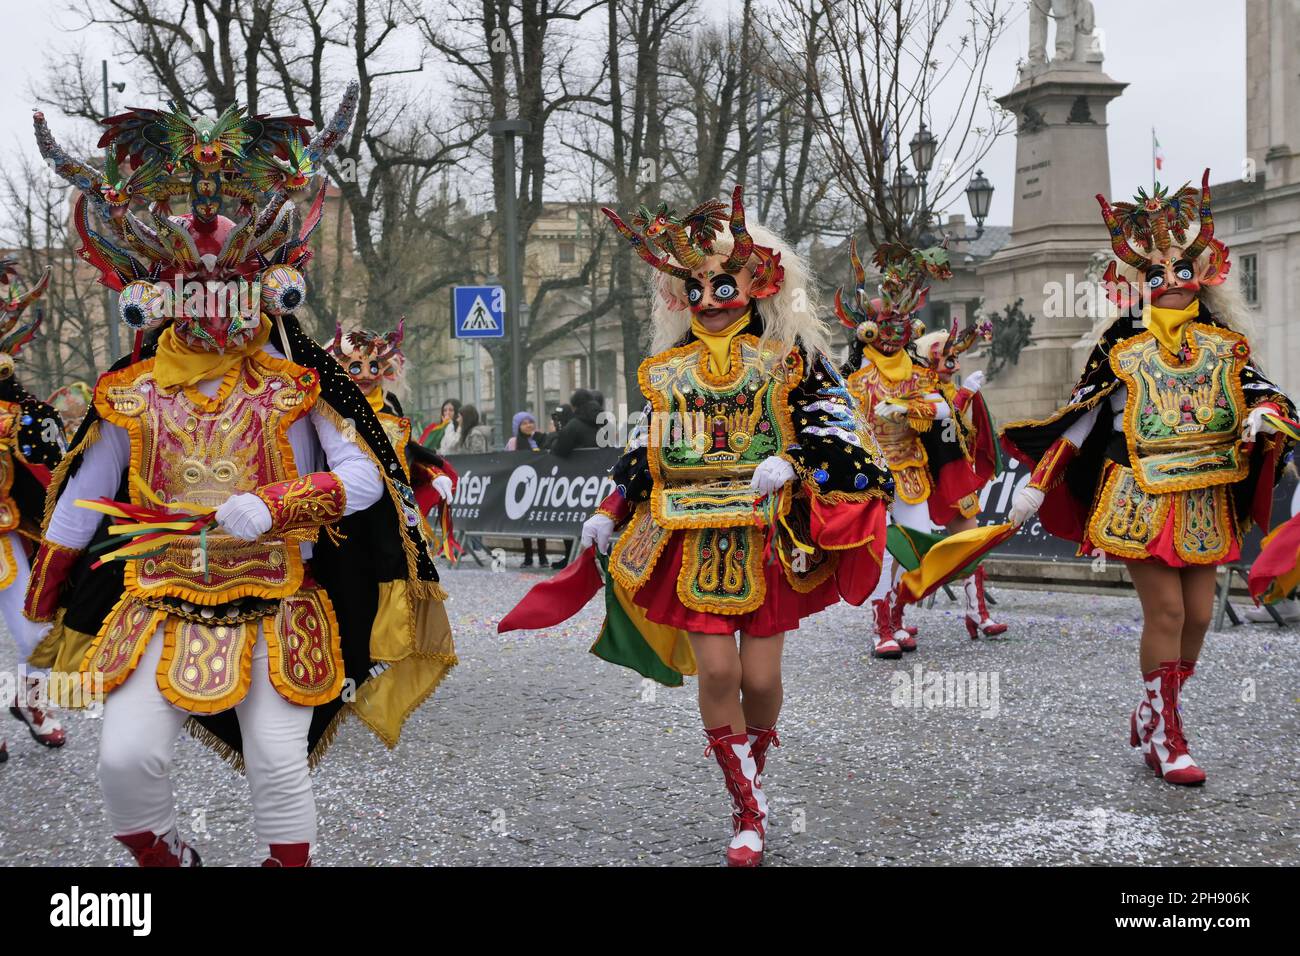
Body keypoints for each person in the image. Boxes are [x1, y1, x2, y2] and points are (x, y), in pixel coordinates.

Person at [27, 85, 456, 865]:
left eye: (228, 291)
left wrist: (278, 502)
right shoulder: (133, 389)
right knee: (124, 760)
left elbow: (364, 476)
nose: (214, 314)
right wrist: (50, 579)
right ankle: (167, 860)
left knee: (277, 758)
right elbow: (88, 489)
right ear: (160, 295)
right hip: (157, 600)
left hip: (277, 596)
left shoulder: (295, 383)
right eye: (193, 293)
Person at [511, 186, 893, 867]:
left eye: (724, 284)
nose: (712, 299)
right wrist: (608, 509)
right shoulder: (669, 370)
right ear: (677, 295)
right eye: (697, 288)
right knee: (717, 671)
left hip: (770, 536)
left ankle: (755, 778)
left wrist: (793, 457)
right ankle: (747, 809)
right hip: (691, 534)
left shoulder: (791, 358)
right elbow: (649, 448)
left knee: (762, 680)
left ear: (757, 283)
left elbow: (842, 432)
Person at [1001, 171, 1295, 787]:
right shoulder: (1119, 344)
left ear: (1202, 276)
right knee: (1164, 613)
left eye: (1179, 272)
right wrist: (1039, 483)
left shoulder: (1224, 344)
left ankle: (1153, 706)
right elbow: (1081, 420)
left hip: (1206, 493)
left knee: (1196, 616)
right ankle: (1167, 735)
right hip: (1139, 494)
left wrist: (1264, 420)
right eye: (1154, 276)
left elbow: (1265, 395)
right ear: (1138, 285)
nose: (1168, 285)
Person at [838, 241, 988, 658]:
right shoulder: (856, 380)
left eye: (898, 330)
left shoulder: (915, 373)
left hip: (911, 471)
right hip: (871, 474)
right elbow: (845, 422)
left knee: (915, 545)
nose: (890, 339)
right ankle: (880, 625)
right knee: (882, 551)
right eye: (883, 330)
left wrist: (905, 407)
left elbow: (941, 407)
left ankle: (899, 616)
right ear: (868, 332)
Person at [0, 261, 69, 763]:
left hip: (8, 534)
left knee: (37, 634)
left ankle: (29, 698)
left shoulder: (24, 413)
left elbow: (55, 473)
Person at [910, 318, 1007, 639]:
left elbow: (962, 432)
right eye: (946, 358)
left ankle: (977, 613)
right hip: (918, 478)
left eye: (955, 358)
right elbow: (934, 421)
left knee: (970, 546)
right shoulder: (917, 390)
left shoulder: (954, 389)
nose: (953, 365)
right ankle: (889, 621)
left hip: (953, 475)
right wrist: (964, 396)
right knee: (904, 553)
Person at [325, 321, 457, 517]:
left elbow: (404, 454)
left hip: (389, 508)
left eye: (373, 367)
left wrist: (433, 474)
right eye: (355, 368)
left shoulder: (390, 405)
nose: (365, 375)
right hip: (343, 506)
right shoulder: (329, 407)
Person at [506, 411, 549, 567]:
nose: (528, 425)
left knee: (540, 521)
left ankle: (543, 557)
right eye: (524, 423)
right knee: (524, 521)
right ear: (518, 426)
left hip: (540, 485)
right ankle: (528, 556)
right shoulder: (513, 443)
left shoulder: (540, 438)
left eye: (530, 422)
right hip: (521, 486)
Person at [547, 389, 604, 457]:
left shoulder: (574, 426)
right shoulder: (601, 423)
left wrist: (553, 434)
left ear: (575, 407)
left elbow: (558, 450)